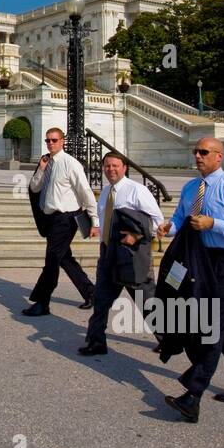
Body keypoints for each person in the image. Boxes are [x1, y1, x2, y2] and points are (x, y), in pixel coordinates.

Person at [159, 137, 224, 423]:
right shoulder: (192, 187)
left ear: (219, 157)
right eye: (195, 151)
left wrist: (214, 223)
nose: (198, 156)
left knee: (211, 325)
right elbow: (181, 217)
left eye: (204, 152)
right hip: (199, 260)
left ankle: (193, 395)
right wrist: (169, 227)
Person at [78, 152, 164, 356]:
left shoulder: (137, 190)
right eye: (107, 166)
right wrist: (95, 227)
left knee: (147, 300)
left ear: (124, 168)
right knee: (101, 301)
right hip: (108, 253)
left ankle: (168, 339)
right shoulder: (106, 192)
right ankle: (96, 342)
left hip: (132, 256)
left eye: (115, 166)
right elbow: (104, 219)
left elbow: (157, 221)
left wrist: (136, 235)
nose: (111, 169)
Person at [23, 127, 99, 316]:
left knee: (51, 260)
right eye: (47, 140)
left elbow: (85, 191)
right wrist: (40, 169)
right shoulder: (45, 162)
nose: (50, 144)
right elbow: (34, 187)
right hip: (50, 218)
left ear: (62, 141)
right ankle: (92, 293)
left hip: (65, 219)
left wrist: (95, 221)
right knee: (63, 258)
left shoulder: (70, 164)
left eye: (54, 140)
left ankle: (42, 302)